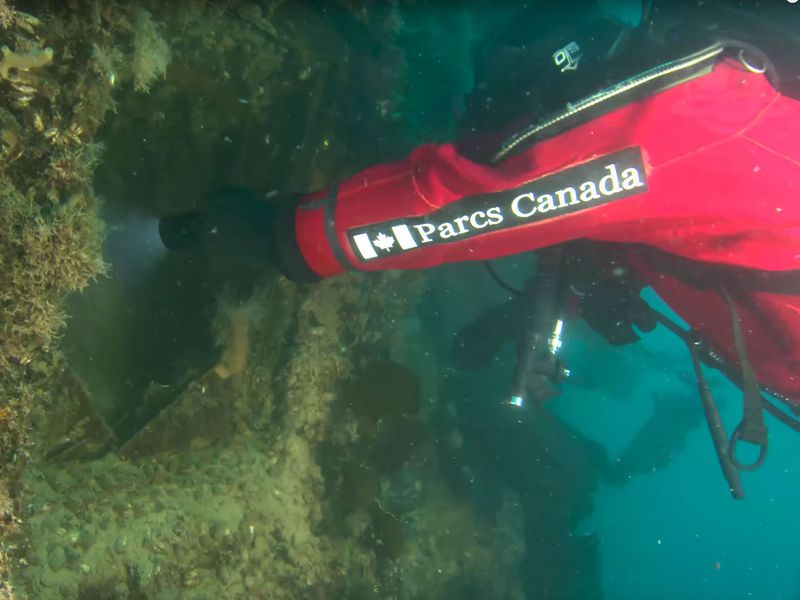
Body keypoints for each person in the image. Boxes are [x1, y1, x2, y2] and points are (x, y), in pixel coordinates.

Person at [160, 1, 800, 498]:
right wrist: (567, 291)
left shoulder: (728, 105)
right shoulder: (767, 96)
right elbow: (693, 215)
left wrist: (290, 240)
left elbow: (477, 202)